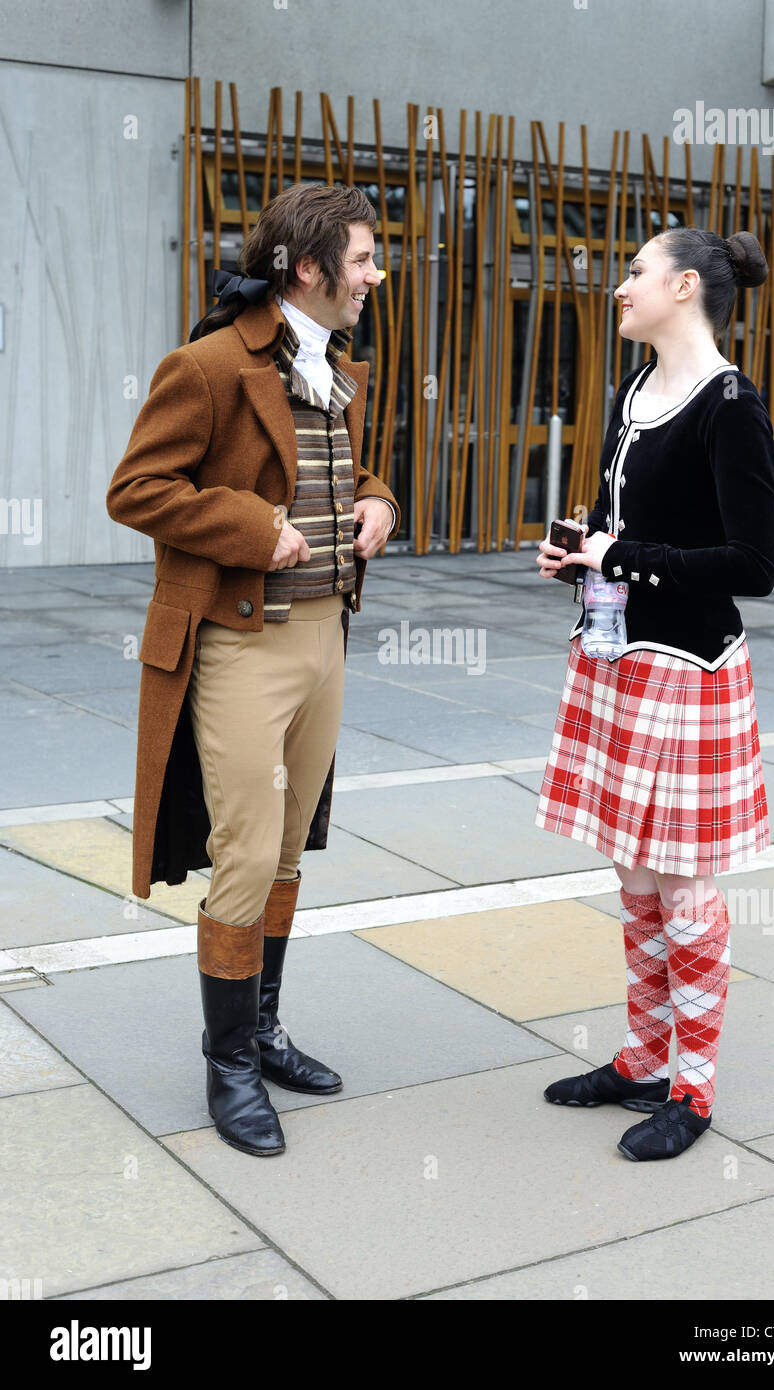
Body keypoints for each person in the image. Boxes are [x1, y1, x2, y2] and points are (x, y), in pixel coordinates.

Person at [106, 183, 400, 1158]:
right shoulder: (207, 364)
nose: (375, 275)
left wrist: (377, 500)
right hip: (242, 642)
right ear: (310, 270)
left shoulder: (330, 362)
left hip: (325, 636)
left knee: (283, 853)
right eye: (363, 258)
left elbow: (336, 466)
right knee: (241, 856)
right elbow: (137, 487)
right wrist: (249, 528)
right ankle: (229, 1062)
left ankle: (265, 1030)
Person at [535, 227, 774, 1161]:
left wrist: (620, 557)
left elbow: (752, 565)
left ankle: (694, 1086)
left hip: (690, 672)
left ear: (684, 287)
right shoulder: (636, 392)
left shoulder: (732, 404)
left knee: (683, 882)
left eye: (635, 271)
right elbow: (627, 530)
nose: (620, 285)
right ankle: (641, 1058)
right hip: (620, 660)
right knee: (632, 873)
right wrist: (583, 555)